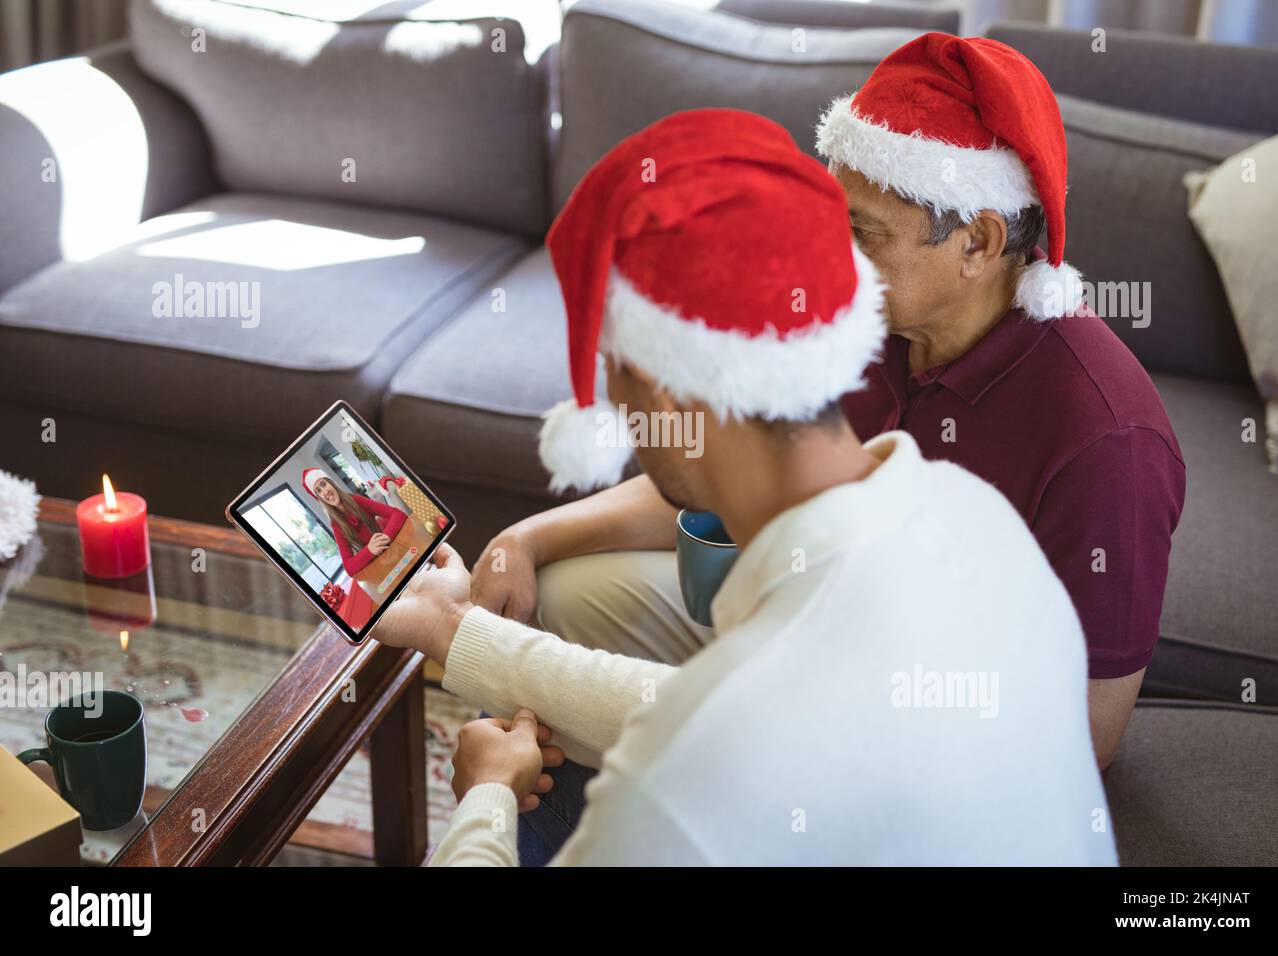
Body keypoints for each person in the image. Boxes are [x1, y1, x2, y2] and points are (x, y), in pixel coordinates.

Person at [374, 108, 1116, 866]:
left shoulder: (689, 786)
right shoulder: (974, 516)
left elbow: (713, 739)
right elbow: (715, 713)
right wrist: (450, 627)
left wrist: (488, 796)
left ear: (659, 389)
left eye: (611, 365)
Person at [470, 33, 1185, 771]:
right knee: (554, 597)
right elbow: (728, 468)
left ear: (978, 241)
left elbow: (1084, 740)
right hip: (792, 622)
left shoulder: (1107, 439)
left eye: (859, 232)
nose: (828, 252)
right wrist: (529, 538)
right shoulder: (868, 319)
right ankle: (526, 784)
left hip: (908, 739)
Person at [301, 468, 405, 579]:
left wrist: (385, 538)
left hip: (394, 549)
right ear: (320, 498)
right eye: (319, 490)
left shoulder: (356, 500)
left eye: (324, 484)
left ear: (331, 483)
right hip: (378, 565)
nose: (325, 492)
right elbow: (349, 568)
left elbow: (398, 514)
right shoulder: (336, 525)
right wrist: (370, 550)